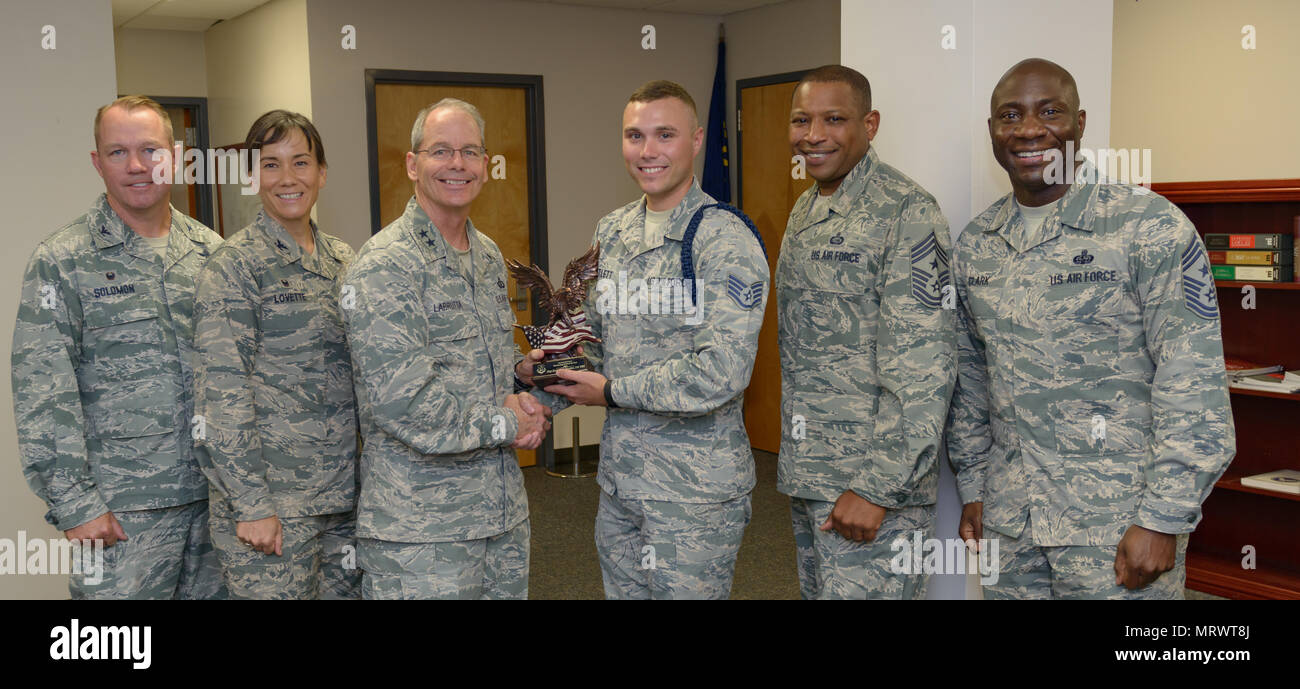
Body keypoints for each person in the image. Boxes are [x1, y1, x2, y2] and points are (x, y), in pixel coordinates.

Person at [946, 58, 1235, 599]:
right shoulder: (978, 243)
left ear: (1080, 123)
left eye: (1049, 111)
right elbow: (971, 379)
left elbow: (1192, 384)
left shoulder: (1147, 226)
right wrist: (973, 486)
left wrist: (1164, 518)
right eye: (1010, 115)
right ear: (992, 131)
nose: (1030, 129)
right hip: (1013, 524)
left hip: (1118, 526)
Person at [520, 80, 768, 599]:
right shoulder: (613, 231)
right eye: (635, 135)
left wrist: (610, 392)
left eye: (665, 135)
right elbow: (594, 339)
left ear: (696, 141)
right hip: (621, 484)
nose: (648, 151)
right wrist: (539, 380)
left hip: (693, 496)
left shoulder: (724, 239)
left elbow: (721, 372)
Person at [12, 95, 226, 599]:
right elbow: (43, 389)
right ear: (96, 162)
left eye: (150, 150)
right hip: (121, 513)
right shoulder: (62, 260)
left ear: (173, 156)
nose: (136, 166)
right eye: (117, 152)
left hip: (217, 507)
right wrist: (75, 503)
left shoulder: (213, 254)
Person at [342, 98, 550, 600]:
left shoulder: (486, 255)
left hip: (499, 518)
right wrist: (508, 422)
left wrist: (523, 380)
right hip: (422, 536)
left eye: (470, 152)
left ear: (485, 165)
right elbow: (407, 405)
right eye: (441, 151)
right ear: (413, 164)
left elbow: (485, 373)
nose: (457, 164)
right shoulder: (386, 265)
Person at [775, 65, 956, 599]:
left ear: (870, 124)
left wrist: (877, 488)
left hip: (871, 488)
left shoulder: (908, 212)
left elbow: (926, 367)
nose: (813, 134)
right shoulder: (809, 207)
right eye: (802, 119)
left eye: (834, 119)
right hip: (814, 474)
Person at [192, 110, 361, 599]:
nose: (288, 178)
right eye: (270, 164)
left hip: (343, 502)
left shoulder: (346, 262)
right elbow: (221, 393)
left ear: (322, 173)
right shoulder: (233, 268)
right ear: (252, 177)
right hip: (272, 508)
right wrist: (251, 504)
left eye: (301, 162)